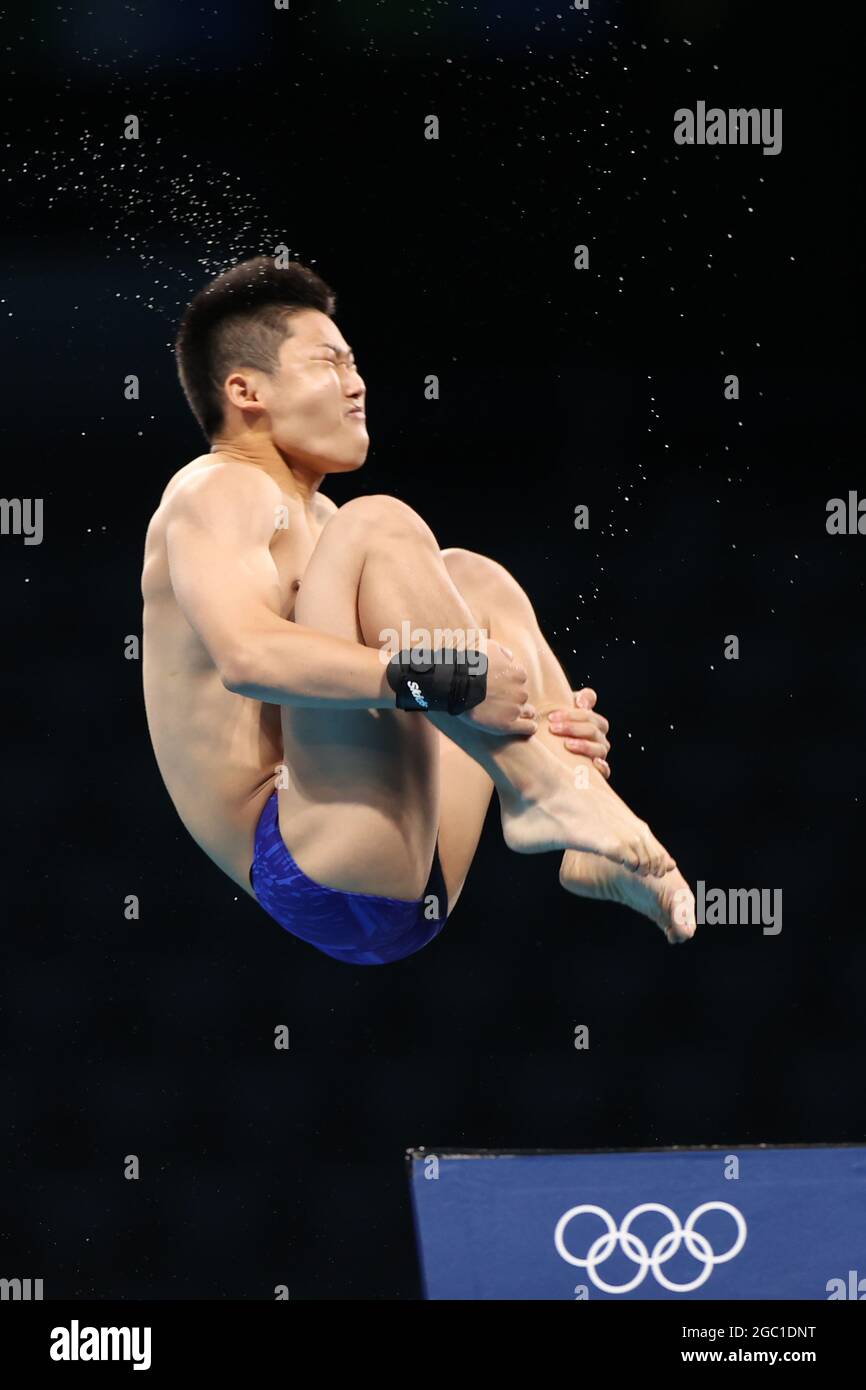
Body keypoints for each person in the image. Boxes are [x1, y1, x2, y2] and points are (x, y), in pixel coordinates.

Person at [141, 257, 696, 965]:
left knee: (473, 579)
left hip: (402, 868)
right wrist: (451, 680)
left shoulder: (318, 517)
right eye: (329, 363)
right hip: (303, 854)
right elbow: (248, 659)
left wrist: (548, 716)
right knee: (379, 523)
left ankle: (572, 794)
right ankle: (543, 789)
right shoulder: (215, 488)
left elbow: (415, 669)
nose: (357, 383)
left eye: (355, 363)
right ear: (246, 390)